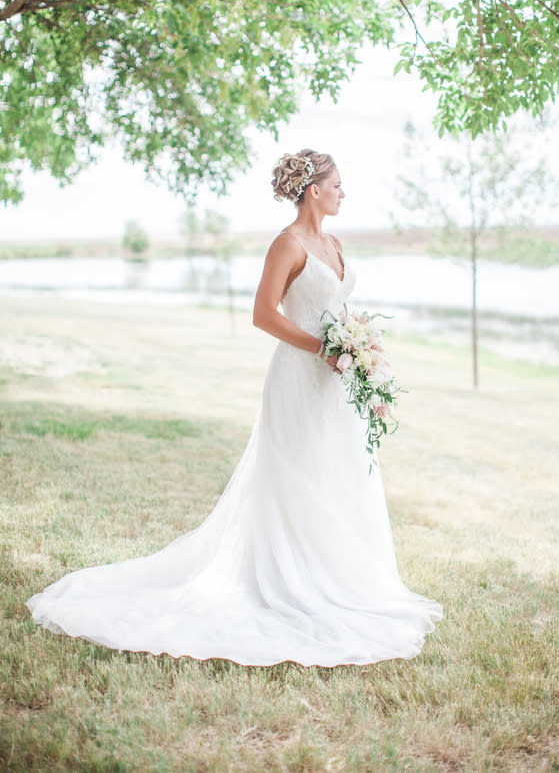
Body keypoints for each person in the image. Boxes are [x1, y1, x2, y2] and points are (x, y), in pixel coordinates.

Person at [27, 148, 442, 667]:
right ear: (314, 190)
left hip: (337, 382)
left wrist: (361, 346)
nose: (343, 193)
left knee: (340, 473)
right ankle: (291, 584)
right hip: (299, 376)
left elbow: (336, 310)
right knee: (295, 477)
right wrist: (324, 349)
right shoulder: (286, 245)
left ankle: (341, 579)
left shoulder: (334, 243)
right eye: (337, 185)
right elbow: (263, 315)